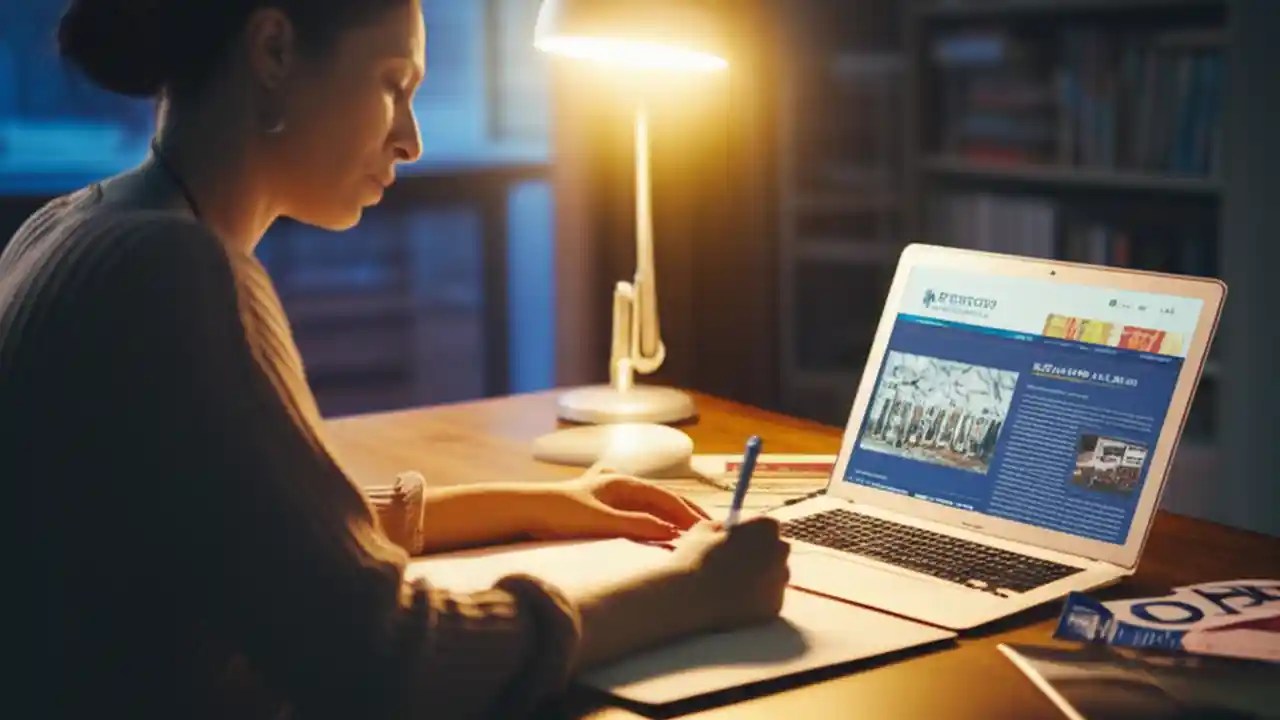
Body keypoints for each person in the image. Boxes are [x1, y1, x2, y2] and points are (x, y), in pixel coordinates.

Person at [0, 2, 791, 718]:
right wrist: (695, 592)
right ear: (273, 50)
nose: (410, 139)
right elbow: (389, 661)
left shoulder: (76, 225)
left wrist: (533, 505)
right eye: (392, 83)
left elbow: (256, 536)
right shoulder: (178, 272)